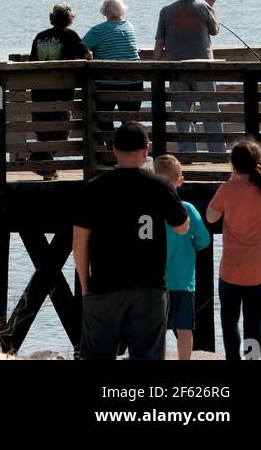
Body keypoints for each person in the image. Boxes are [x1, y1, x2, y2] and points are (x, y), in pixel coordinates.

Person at [73, 121, 190, 361]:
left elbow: (79, 241)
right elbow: (181, 228)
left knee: (96, 356)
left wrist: (86, 285)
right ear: (146, 150)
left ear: (114, 150)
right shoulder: (161, 186)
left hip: (106, 284)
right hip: (149, 286)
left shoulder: (94, 188)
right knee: (148, 356)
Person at [206, 138, 261, 361]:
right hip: (260, 270)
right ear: (260, 162)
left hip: (231, 269)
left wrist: (231, 184)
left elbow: (210, 217)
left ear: (234, 165)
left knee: (229, 323)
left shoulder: (227, 190)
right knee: (253, 324)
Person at [153, 0, 222, 155]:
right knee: (211, 111)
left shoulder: (166, 11)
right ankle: (217, 152)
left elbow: (159, 43)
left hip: (176, 69)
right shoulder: (203, 8)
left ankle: (188, 152)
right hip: (203, 69)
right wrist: (210, 5)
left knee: (181, 112)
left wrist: (154, 65)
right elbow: (215, 30)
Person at [153, 154, 211, 360]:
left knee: (156, 328)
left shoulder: (150, 211)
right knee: (185, 328)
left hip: (156, 281)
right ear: (180, 180)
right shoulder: (188, 209)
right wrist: (190, 245)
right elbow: (204, 240)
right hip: (184, 281)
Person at [28, 4, 91, 178]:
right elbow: (88, 56)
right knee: (62, 132)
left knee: (43, 133)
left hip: (39, 93)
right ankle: (37, 160)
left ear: (52, 17)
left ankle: (47, 170)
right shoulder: (70, 35)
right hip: (61, 94)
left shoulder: (40, 37)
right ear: (70, 18)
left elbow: (32, 62)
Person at [81, 0, 142, 150]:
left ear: (104, 11)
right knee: (129, 122)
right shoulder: (130, 26)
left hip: (108, 82)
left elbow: (79, 46)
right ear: (121, 9)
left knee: (103, 117)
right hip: (134, 82)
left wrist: (90, 55)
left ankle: (111, 149)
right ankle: (128, 153)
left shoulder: (99, 30)